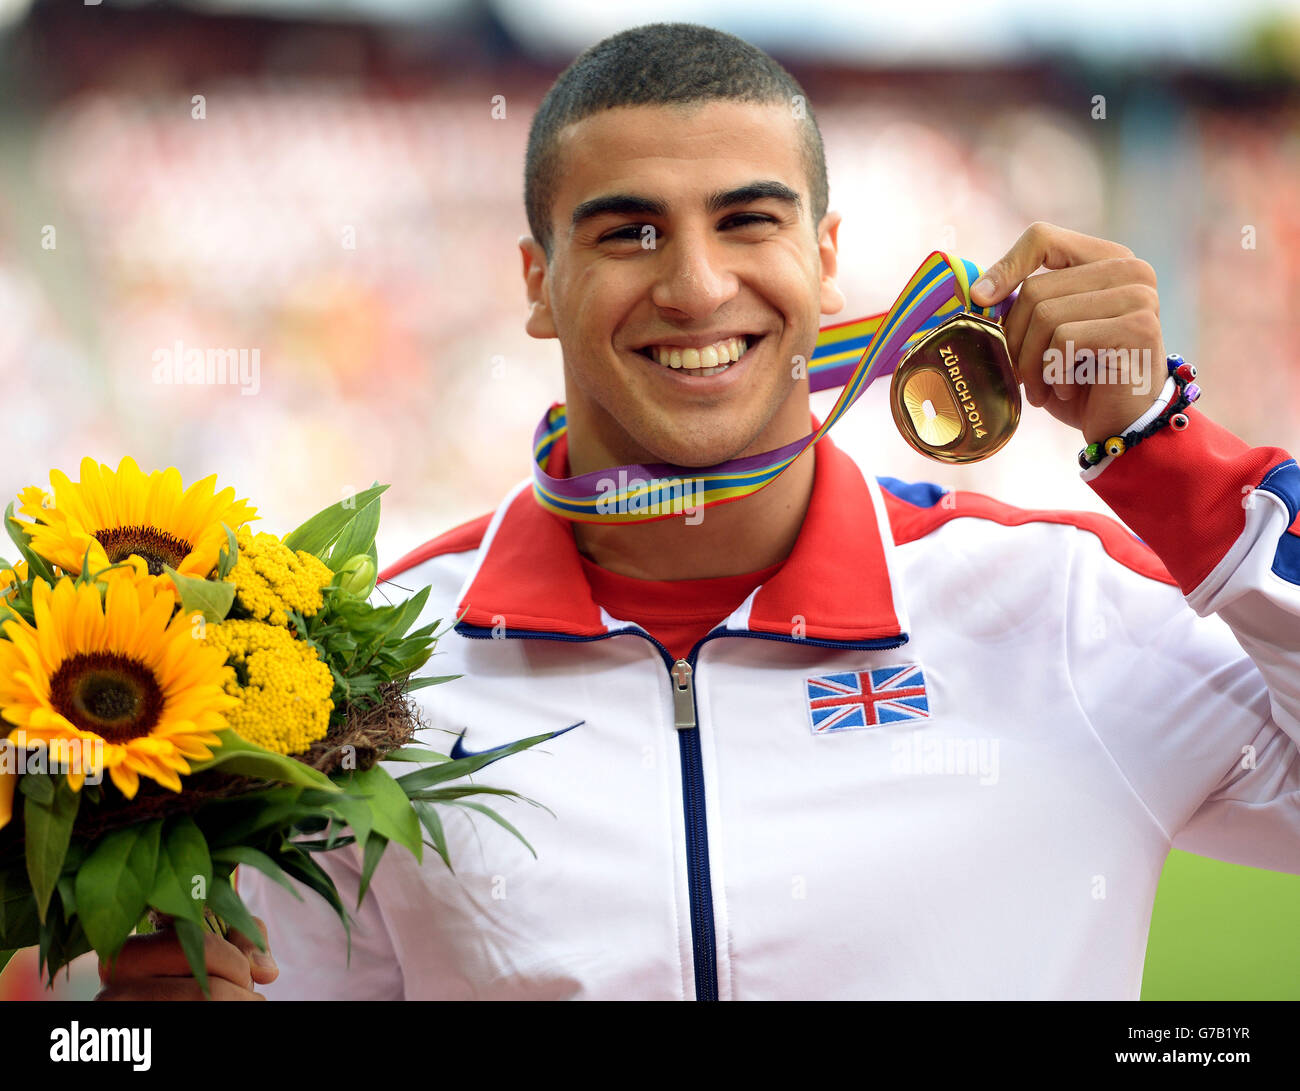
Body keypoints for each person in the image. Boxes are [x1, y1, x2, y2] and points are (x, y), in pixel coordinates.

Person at [98, 22, 1299, 1001]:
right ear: (537, 284)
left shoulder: (1061, 610)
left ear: (825, 258)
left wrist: (1160, 448)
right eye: (627, 230)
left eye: (747, 219)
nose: (694, 285)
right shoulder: (378, 675)